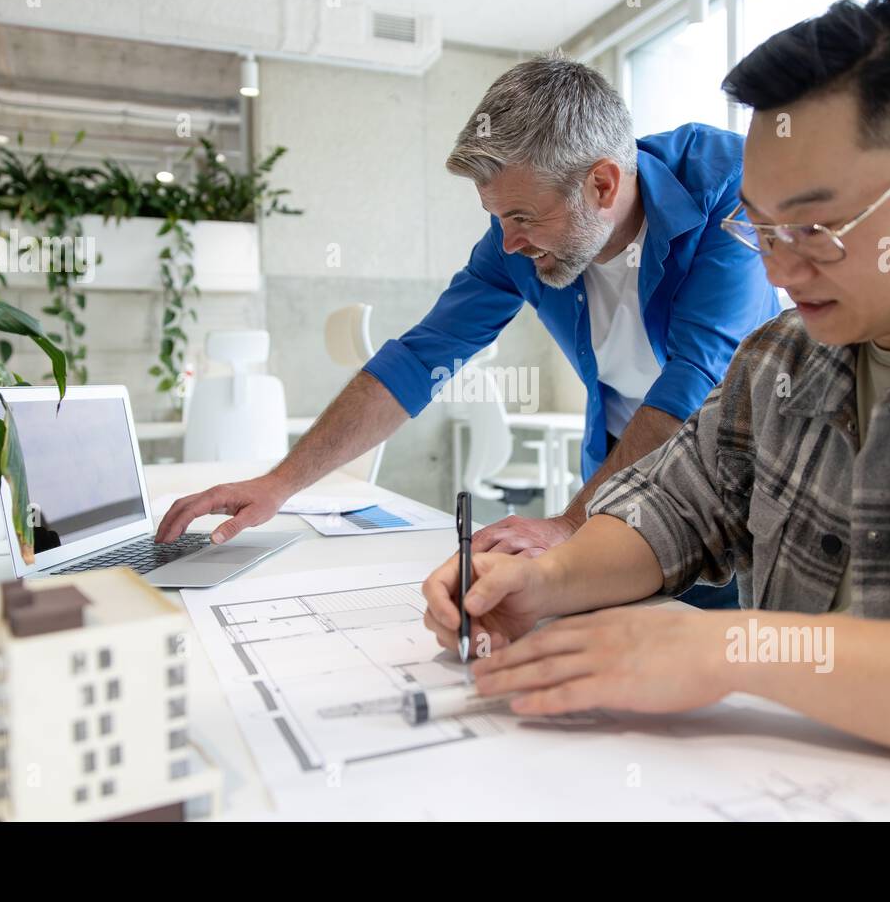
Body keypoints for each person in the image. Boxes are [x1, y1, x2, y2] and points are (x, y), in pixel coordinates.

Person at [421, 0, 890, 800]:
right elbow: (674, 505)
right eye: (757, 227)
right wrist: (546, 582)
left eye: (815, 228)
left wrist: (733, 650)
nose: (777, 269)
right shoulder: (783, 359)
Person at [157, 56, 779, 566]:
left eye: (522, 217)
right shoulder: (512, 244)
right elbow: (419, 358)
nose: (507, 242)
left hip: (743, 482)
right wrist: (279, 483)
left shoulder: (729, 186)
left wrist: (568, 521)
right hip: (621, 485)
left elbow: (694, 384)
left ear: (603, 185)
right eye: (495, 216)